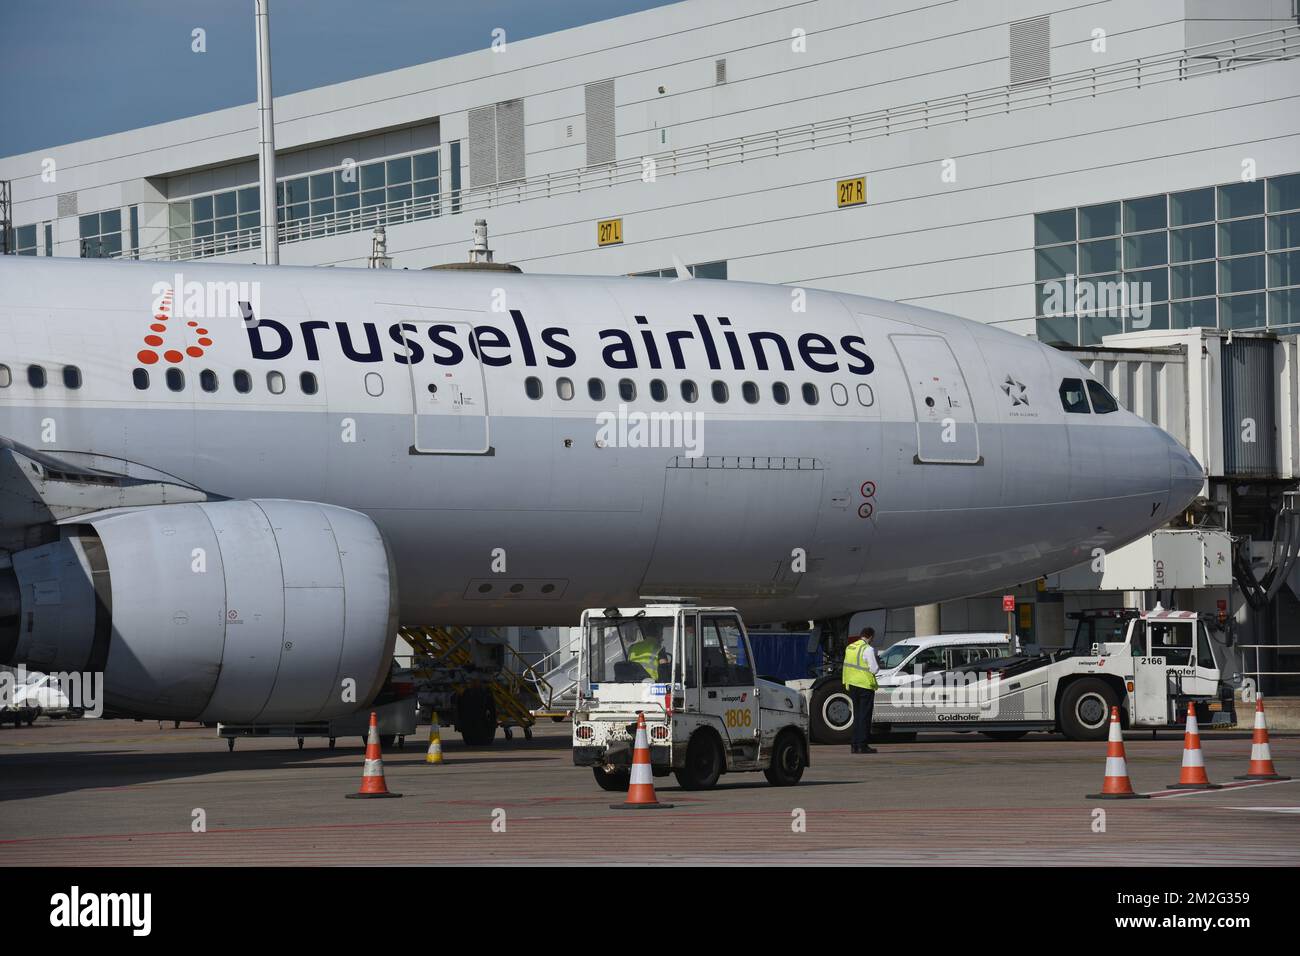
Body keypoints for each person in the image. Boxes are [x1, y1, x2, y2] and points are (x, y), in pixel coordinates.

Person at [841, 626, 880, 754]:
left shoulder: (850, 647)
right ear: (870, 637)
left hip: (852, 684)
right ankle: (862, 745)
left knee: (857, 715)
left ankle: (854, 745)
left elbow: (846, 666)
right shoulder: (868, 649)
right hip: (865, 686)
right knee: (865, 716)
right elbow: (874, 669)